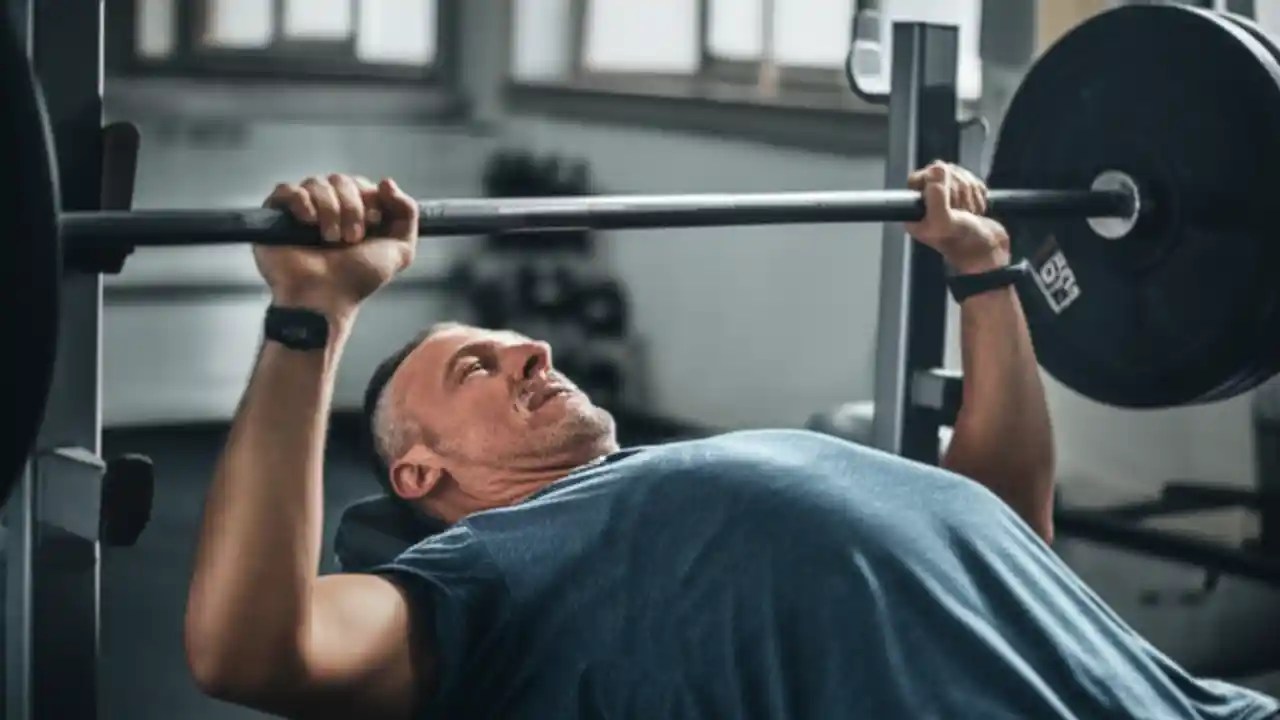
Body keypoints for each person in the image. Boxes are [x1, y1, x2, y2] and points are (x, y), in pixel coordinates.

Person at [184, 166, 1280, 720]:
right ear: (420, 474)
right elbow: (251, 654)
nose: (528, 352)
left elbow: (1001, 523)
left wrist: (983, 270)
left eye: (519, 342)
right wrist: (312, 316)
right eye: (477, 366)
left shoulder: (662, 470)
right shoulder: (477, 574)